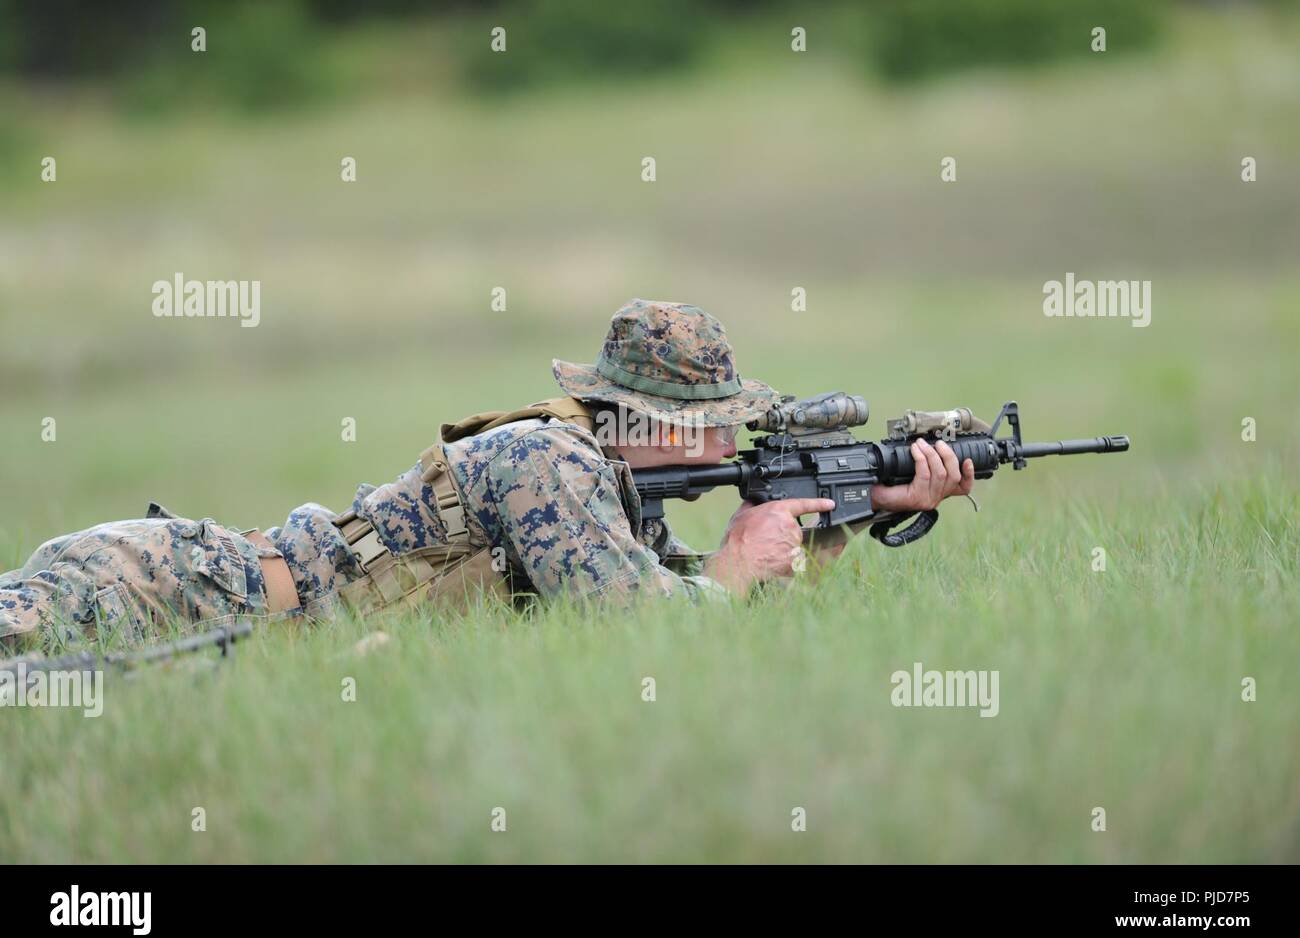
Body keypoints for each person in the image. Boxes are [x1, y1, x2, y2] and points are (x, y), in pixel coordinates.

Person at [0, 299, 973, 654]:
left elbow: (699, 629)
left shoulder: (609, 492)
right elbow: (645, 628)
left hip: (242, 633)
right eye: (702, 424)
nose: (715, 442)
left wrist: (842, 518)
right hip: (176, 584)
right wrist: (732, 559)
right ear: (642, 418)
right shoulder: (550, 463)